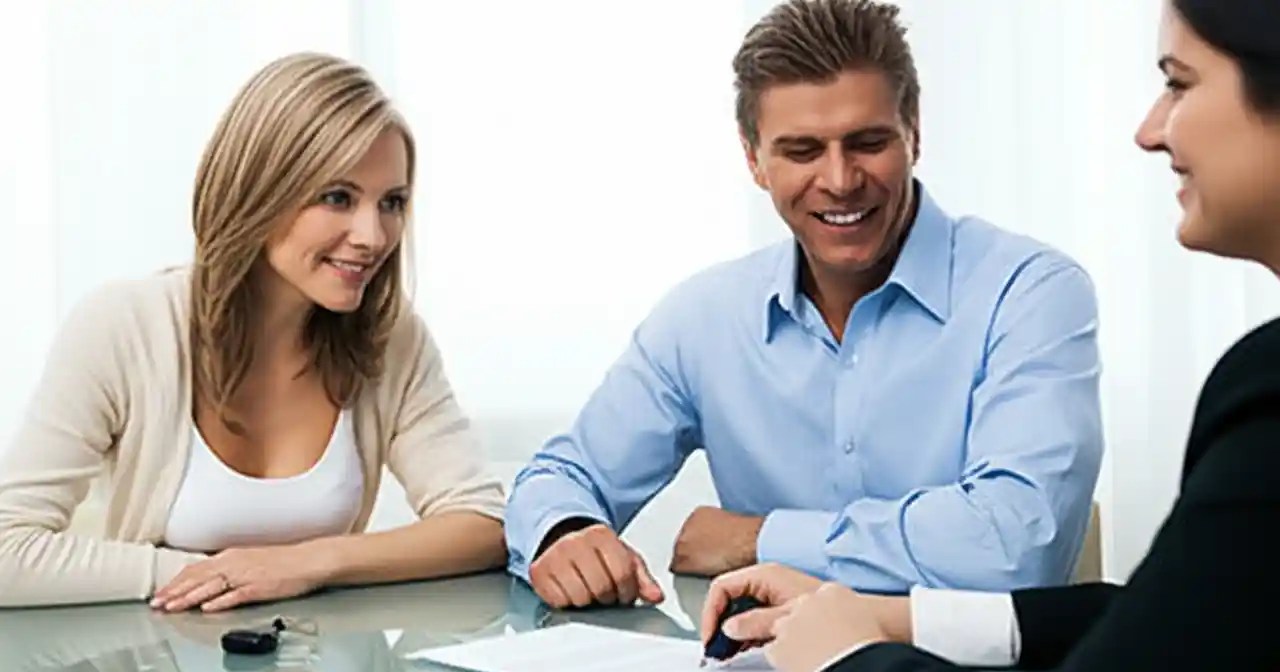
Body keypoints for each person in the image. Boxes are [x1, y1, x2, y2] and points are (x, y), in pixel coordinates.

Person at [700, 1, 1280, 672]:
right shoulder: (706, 307)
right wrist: (887, 619)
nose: (1150, 129)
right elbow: (1194, 621)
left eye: (1180, 83)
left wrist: (845, 666)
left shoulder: (1268, 388)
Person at [504, 0, 1104, 610]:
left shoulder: (1028, 294)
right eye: (801, 151)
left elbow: (1018, 543)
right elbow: (560, 478)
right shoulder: (704, 319)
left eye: (867, 142)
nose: (840, 180)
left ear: (914, 134)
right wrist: (565, 531)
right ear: (753, 159)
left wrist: (759, 539)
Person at [0, 52, 507, 611]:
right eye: (337, 197)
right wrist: (222, 573)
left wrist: (309, 562)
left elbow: (482, 524)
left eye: (392, 203)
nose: (373, 235)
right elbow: (8, 549)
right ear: (259, 191)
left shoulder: (392, 340)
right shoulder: (126, 327)